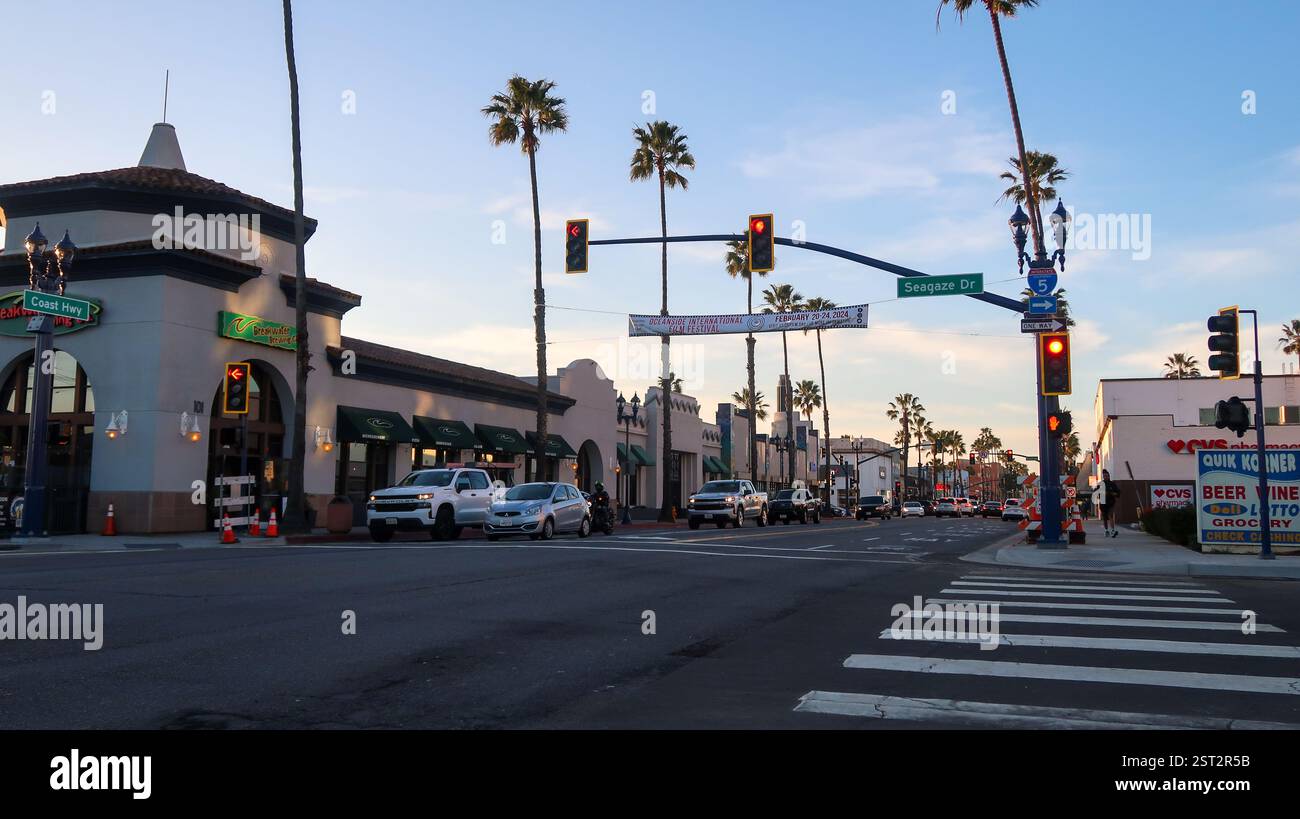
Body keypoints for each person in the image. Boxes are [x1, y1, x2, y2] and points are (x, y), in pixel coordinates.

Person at [1094, 469, 1122, 538]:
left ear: (1109, 476)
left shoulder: (1112, 484)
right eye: (1104, 476)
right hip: (1103, 503)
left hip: (1111, 502)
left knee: (1110, 515)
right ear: (1103, 477)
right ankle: (1106, 530)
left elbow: (1118, 492)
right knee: (1105, 518)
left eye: (1107, 476)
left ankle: (1112, 530)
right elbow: (1095, 492)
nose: (1106, 477)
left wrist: (1113, 494)